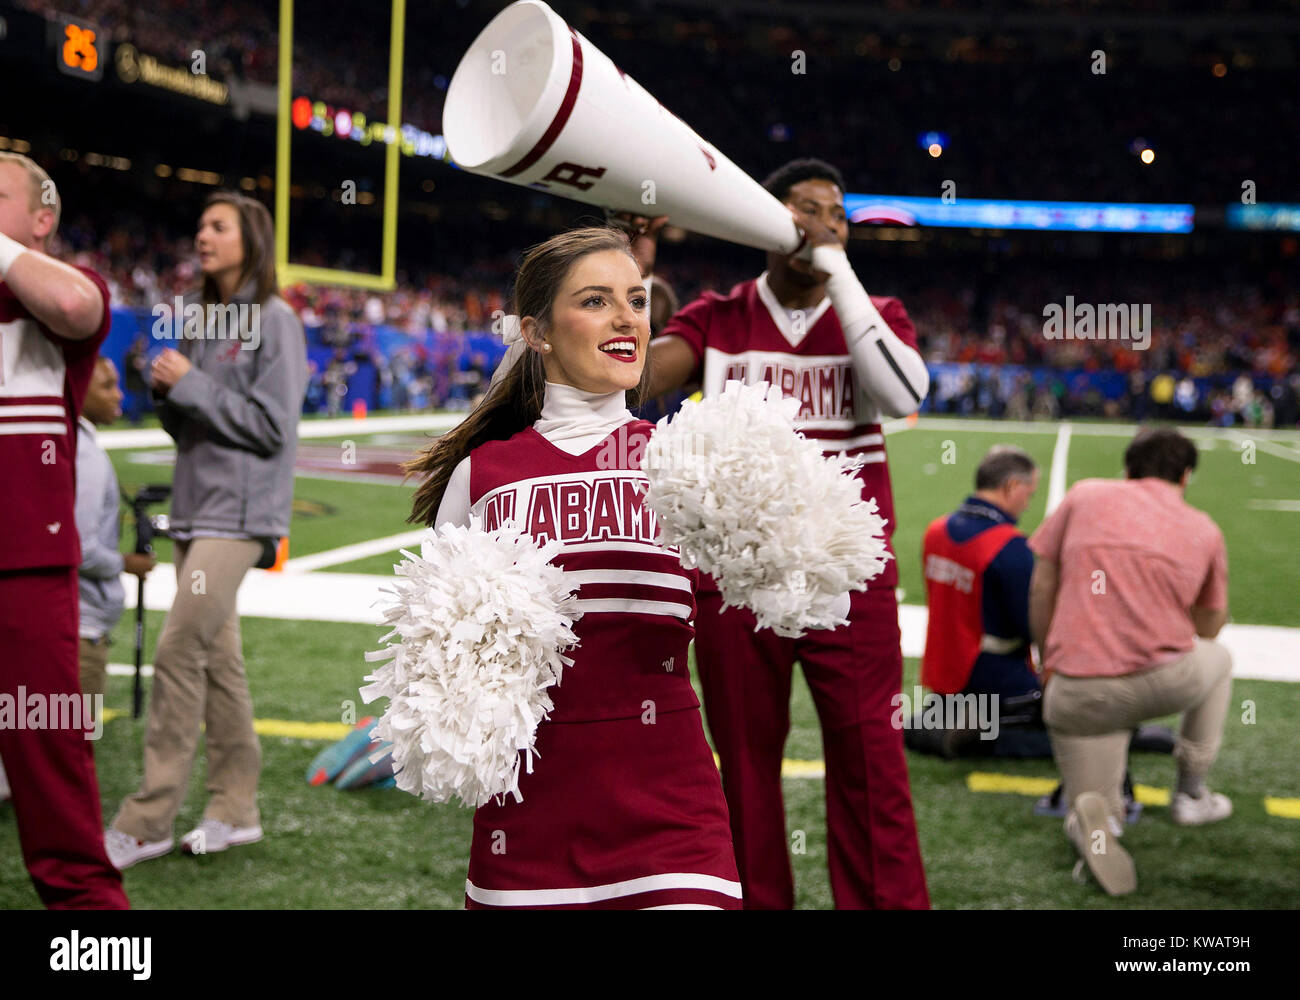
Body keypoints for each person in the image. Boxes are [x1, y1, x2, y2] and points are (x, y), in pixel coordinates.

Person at [406, 226, 746, 909]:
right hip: (528, 819)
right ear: (536, 332)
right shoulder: (484, 476)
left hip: (674, 813)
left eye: (637, 299)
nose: (627, 318)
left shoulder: (687, 462)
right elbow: (437, 663)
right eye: (596, 301)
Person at [642, 158, 931, 909]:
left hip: (847, 577)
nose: (821, 221)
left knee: (871, 758)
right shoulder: (718, 314)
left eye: (836, 213)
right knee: (742, 763)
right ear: (769, 222)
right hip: (736, 576)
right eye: (804, 209)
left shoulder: (878, 313)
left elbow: (900, 393)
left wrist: (838, 271)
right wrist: (633, 279)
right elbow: (634, 381)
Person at [105, 192, 308, 869]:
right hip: (197, 509)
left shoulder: (274, 320)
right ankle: (235, 809)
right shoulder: (200, 318)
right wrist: (167, 394)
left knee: (176, 651)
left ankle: (150, 816)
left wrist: (189, 385)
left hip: (240, 516)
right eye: (199, 225)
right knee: (221, 663)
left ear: (251, 237)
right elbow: (192, 423)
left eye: (218, 226)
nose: (203, 235)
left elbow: (273, 428)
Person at [0, 151, 128, 908]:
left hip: (24, 573)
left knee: (54, 785)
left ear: (40, 220)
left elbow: (78, 309)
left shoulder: (62, 298)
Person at [1028, 427, 1233, 896]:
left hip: (1079, 687)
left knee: (1093, 797)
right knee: (1219, 660)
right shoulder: (1203, 528)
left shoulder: (1083, 496)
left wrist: (1047, 659)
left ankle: (1100, 822)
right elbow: (1209, 627)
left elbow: (1042, 586)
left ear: (1126, 470)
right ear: (1184, 477)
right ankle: (1191, 792)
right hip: (1164, 679)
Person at [913, 446, 1049, 758]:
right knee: (1073, 728)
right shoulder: (1009, 545)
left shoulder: (936, 531)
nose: (1028, 503)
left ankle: (940, 723)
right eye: (1029, 492)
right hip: (993, 678)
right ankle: (982, 736)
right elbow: (1030, 627)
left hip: (944, 674)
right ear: (1012, 486)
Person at [75, 357, 157, 715]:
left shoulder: (68, 444)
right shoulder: (85, 453)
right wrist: (126, 563)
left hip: (72, 621)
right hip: (80, 629)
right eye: (107, 386)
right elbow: (79, 547)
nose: (118, 395)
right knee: (74, 753)